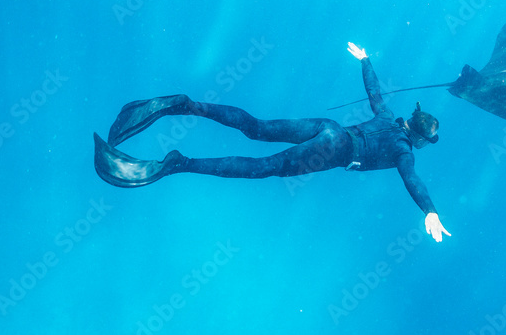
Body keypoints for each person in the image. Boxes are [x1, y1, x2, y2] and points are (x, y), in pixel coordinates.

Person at [93, 43, 451, 242]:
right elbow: (412, 180)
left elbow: (374, 92)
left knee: (255, 127)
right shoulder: (404, 151)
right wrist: (430, 210)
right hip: (336, 150)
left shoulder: (388, 116)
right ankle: (178, 163)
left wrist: (366, 59)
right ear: (419, 138)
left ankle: (188, 105)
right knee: (262, 167)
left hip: (329, 128)